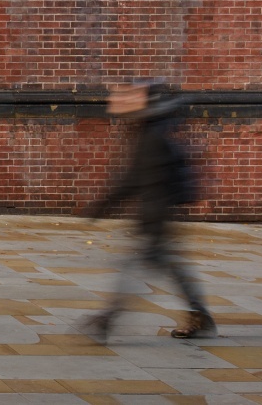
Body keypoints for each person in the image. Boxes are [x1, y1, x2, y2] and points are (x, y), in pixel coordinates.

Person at [84, 79, 215, 341]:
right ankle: (200, 315)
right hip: (158, 215)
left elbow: (134, 179)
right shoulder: (156, 132)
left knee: (132, 269)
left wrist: (103, 205)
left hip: (155, 216)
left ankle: (108, 319)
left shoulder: (152, 137)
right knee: (172, 268)